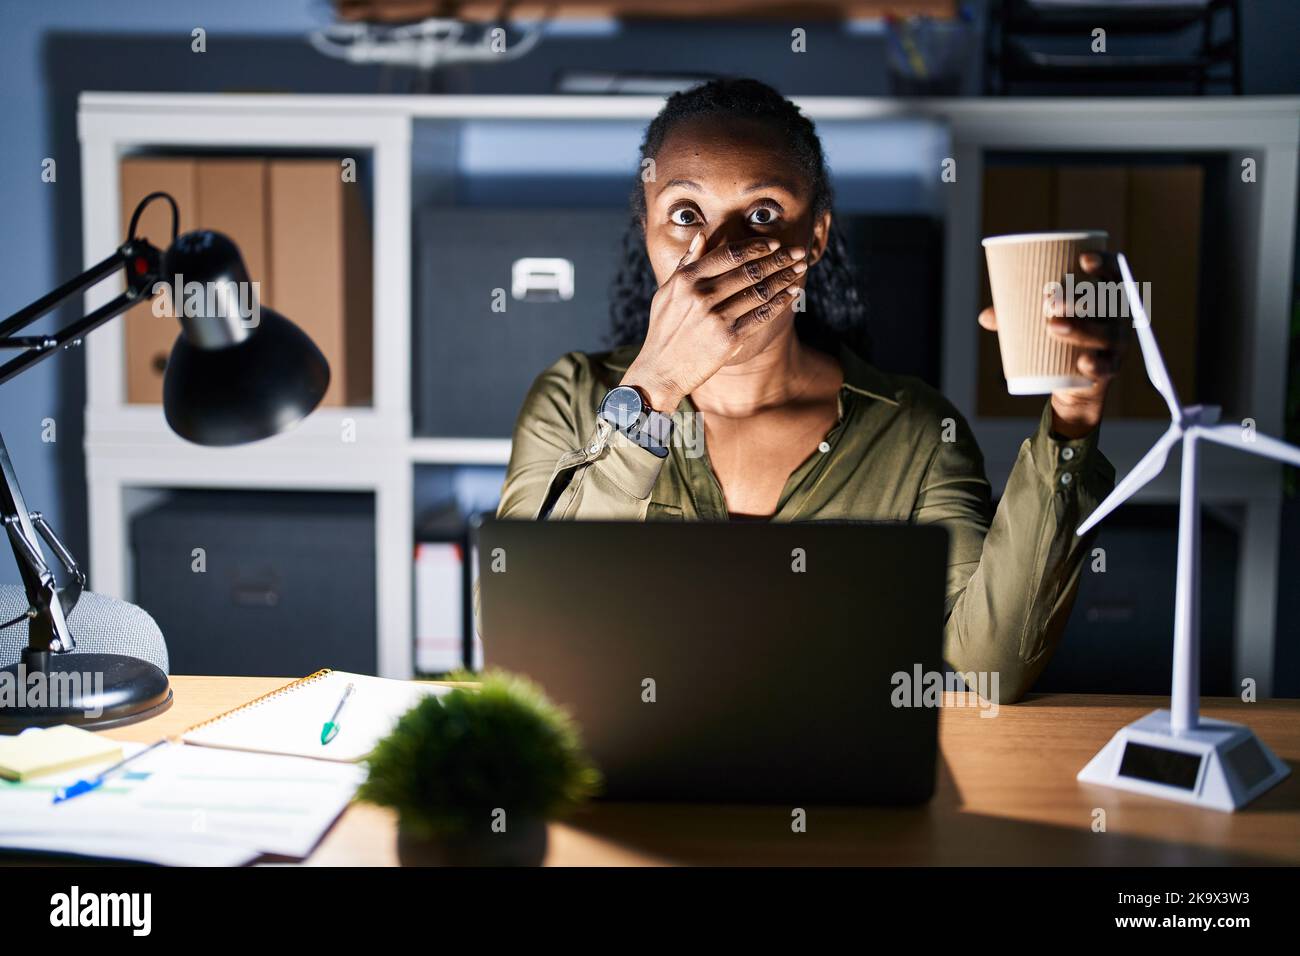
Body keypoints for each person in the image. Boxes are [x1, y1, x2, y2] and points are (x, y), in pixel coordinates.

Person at [495, 78, 1125, 702]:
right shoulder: (572, 398)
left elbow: (987, 667)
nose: (720, 252)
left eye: (763, 214)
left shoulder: (916, 431)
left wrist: (1072, 415)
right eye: (686, 215)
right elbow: (523, 645)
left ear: (815, 237)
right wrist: (654, 386)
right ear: (647, 235)